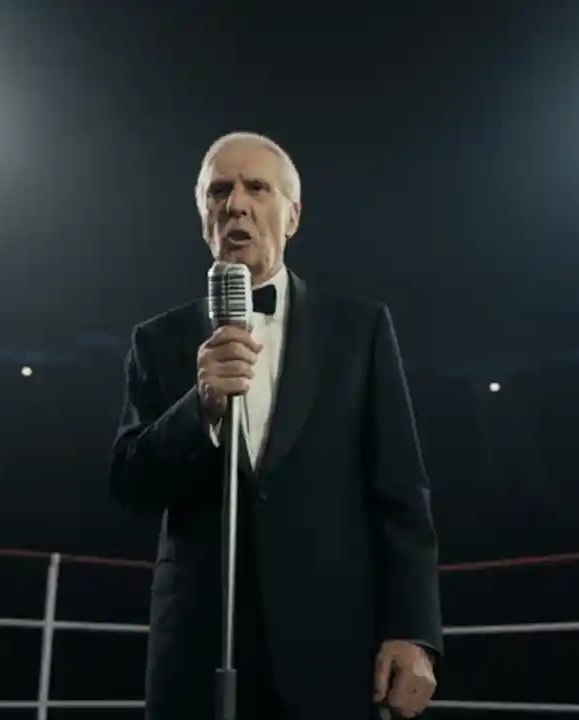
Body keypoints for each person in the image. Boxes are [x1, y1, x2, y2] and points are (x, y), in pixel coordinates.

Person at [108, 131, 443, 720]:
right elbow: (131, 487)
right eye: (218, 191)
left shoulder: (358, 330)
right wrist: (200, 406)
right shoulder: (156, 340)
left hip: (331, 649)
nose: (235, 204)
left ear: (292, 216)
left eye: (256, 188)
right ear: (203, 217)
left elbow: (401, 495)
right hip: (198, 646)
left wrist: (413, 633)